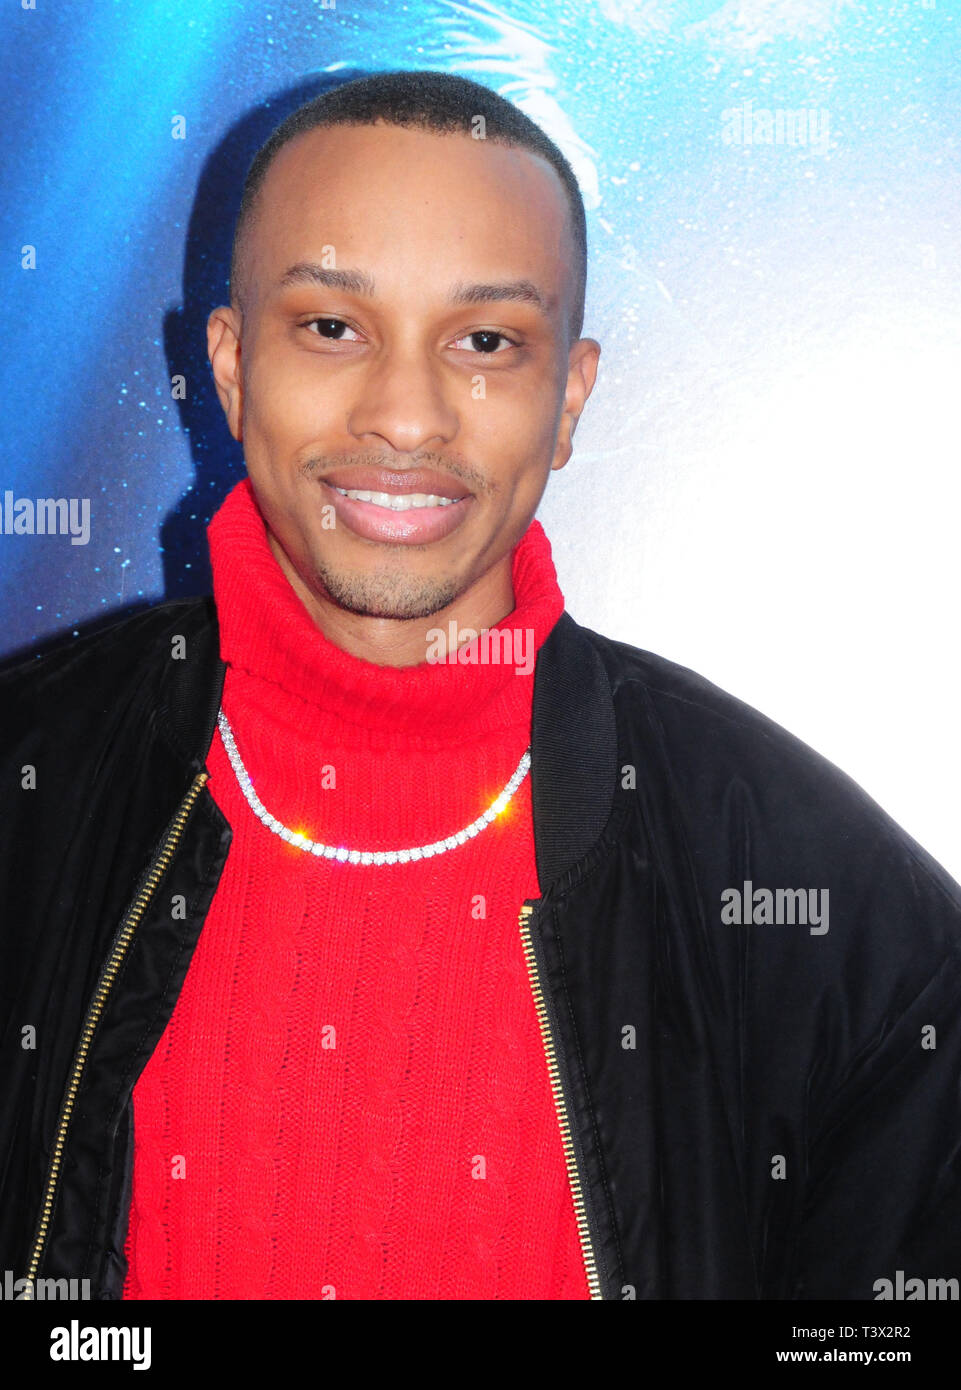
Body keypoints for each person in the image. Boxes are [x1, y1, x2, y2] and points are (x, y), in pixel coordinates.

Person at [2, 68, 960, 1303]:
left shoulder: (814, 901)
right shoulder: (33, 787)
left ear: (568, 397)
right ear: (232, 367)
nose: (404, 417)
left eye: (486, 342)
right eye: (332, 327)